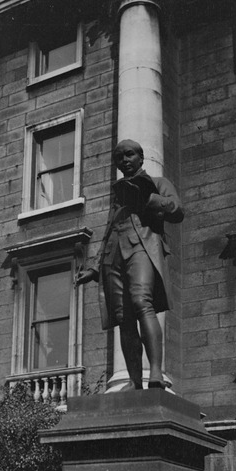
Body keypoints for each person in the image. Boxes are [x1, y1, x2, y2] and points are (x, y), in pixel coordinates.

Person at [76, 139, 184, 389]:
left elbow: (178, 210)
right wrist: (95, 267)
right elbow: (108, 229)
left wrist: (149, 199)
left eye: (129, 155)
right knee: (123, 318)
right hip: (114, 255)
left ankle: (155, 373)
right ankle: (135, 382)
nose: (124, 160)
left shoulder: (157, 183)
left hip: (141, 246)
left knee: (141, 301)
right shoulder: (119, 193)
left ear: (140, 158)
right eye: (119, 158)